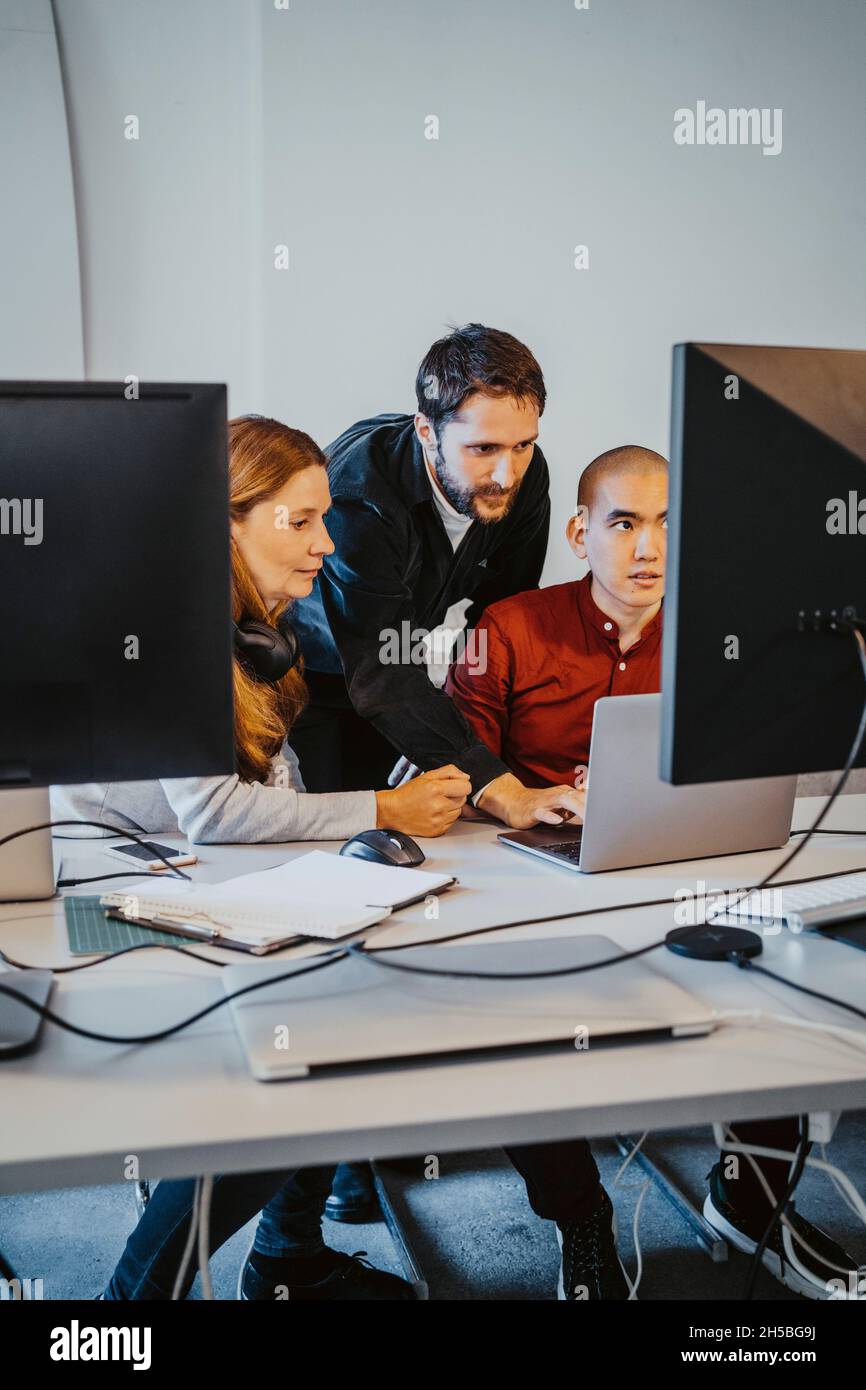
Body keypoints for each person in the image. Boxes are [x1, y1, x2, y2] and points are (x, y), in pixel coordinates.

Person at [54, 415, 470, 1299]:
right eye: (300, 520)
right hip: (97, 905)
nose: (326, 542)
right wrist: (383, 807)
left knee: (339, 1007)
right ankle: (132, 1301)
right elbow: (213, 813)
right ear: (227, 523)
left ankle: (285, 1257)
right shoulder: (167, 633)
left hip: (186, 880)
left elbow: (253, 791)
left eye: (326, 518)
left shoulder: (256, 632)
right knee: (278, 1068)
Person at [447, 444, 864, 1301]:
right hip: (543, 878)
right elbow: (457, 777)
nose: (650, 547)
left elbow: (759, 755)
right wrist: (539, 793)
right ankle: (581, 1217)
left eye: (669, 523)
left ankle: (751, 1205)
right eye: (625, 523)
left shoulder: (726, 631)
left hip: (692, 862)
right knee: (517, 1024)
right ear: (579, 533)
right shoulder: (510, 629)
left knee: (772, 976)